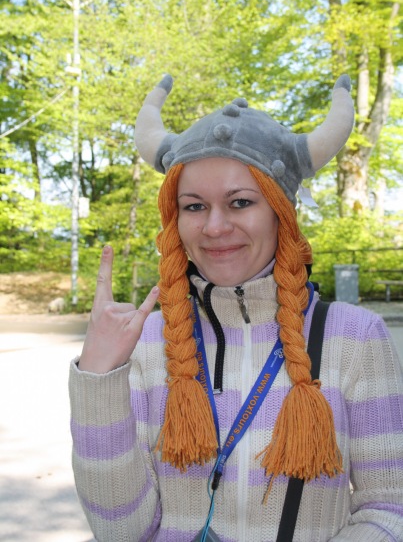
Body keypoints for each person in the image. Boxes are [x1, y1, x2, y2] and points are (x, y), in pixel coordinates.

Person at [69, 74, 403, 542]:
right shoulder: (144, 342)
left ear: (281, 212)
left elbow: (389, 509)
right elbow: (121, 531)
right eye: (194, 207)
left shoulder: (356, 337)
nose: (214, 227)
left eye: (240, 202)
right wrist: (98, 378)